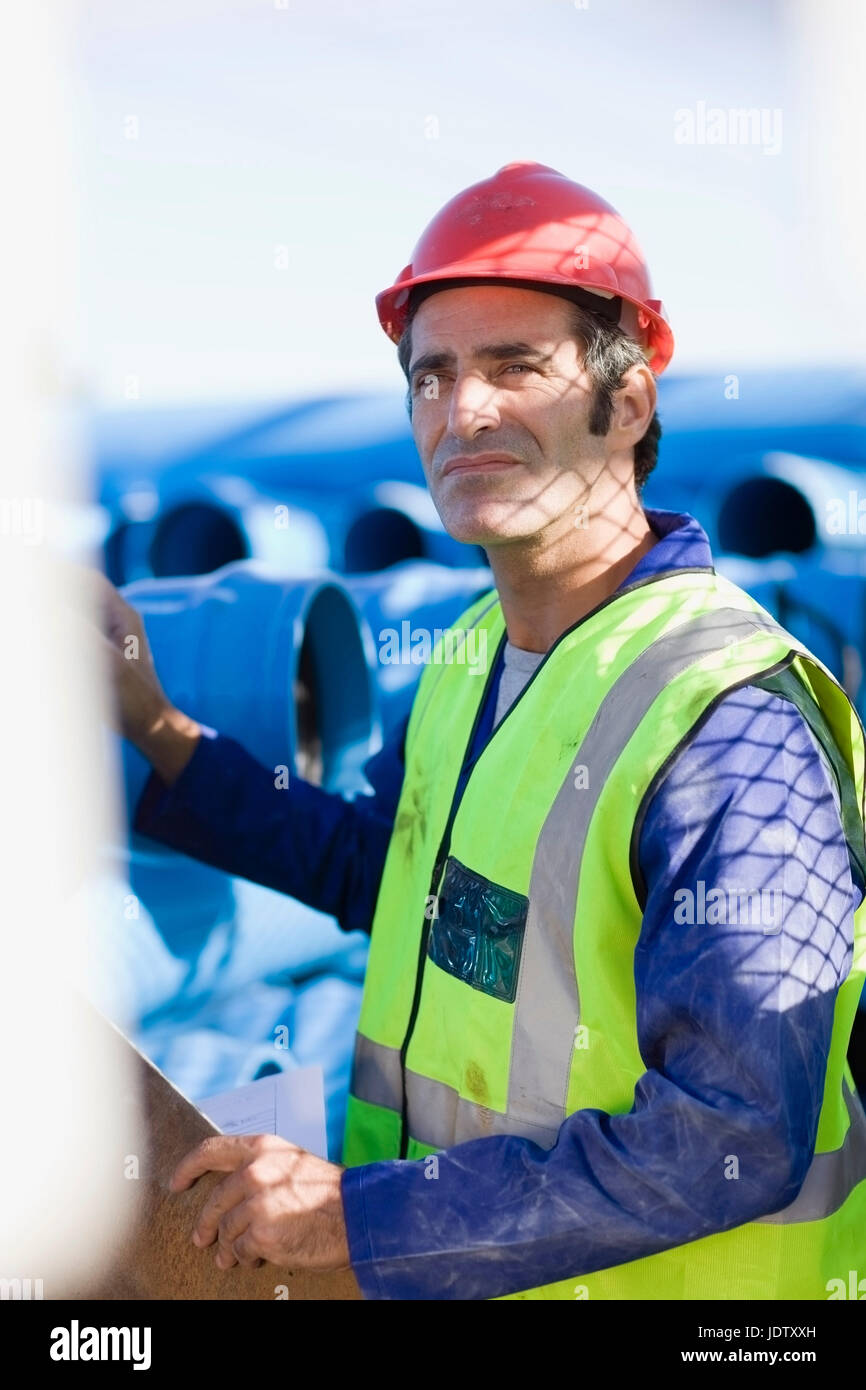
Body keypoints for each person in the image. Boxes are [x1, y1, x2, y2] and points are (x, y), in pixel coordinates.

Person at [98, 163, 866, 1300]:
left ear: (631, 398)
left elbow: (734, 1132)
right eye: (432, 376)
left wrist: (355, 1216)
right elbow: (398, 876)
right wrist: (157, 726)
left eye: (516, 368)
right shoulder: (470, 654)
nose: (463, 412)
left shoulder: (725, 717)